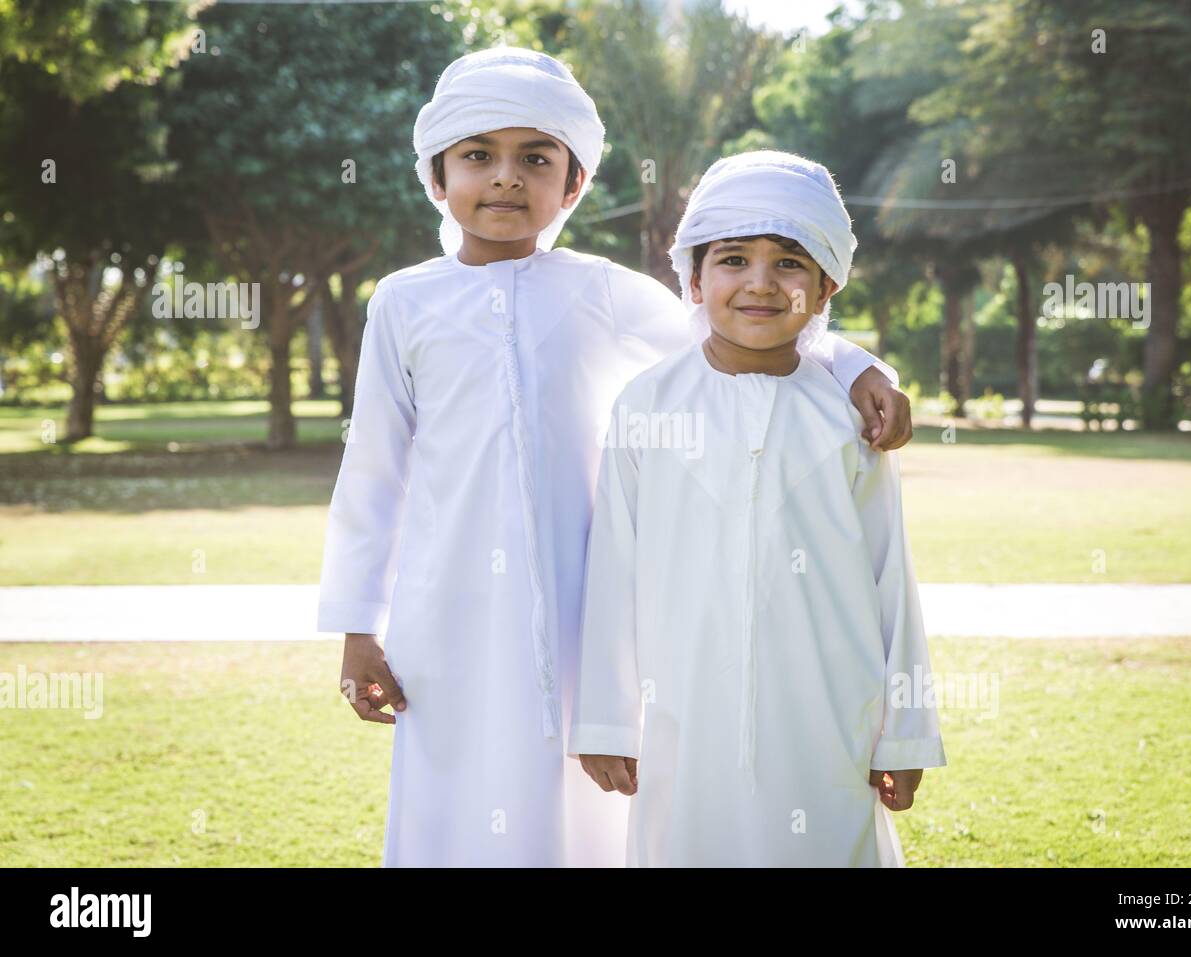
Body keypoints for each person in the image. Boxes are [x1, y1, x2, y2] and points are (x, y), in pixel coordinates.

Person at [316, 49, 914, 867]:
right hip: (443, 612)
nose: (504, 179)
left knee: (585, 810)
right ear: (436, 176)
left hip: (582, 610)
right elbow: (373, 472)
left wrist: (855, 365)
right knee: (454, 803)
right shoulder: (402, 302)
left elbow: (743, 321)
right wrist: (358, 627)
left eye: (535, 158)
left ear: (573, 185)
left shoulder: (601, 291)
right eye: (477, 156)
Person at [570, 150, 946, 867]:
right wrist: (606, 720)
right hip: (682, 714)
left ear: (827, 282)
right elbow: (612, 572)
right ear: (694, 278)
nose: (761, 285)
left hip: (829, 715)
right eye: (734, 259)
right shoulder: (647, 404)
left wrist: (905, 733)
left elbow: (890, 580)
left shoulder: (848, 414)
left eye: (790, 264)